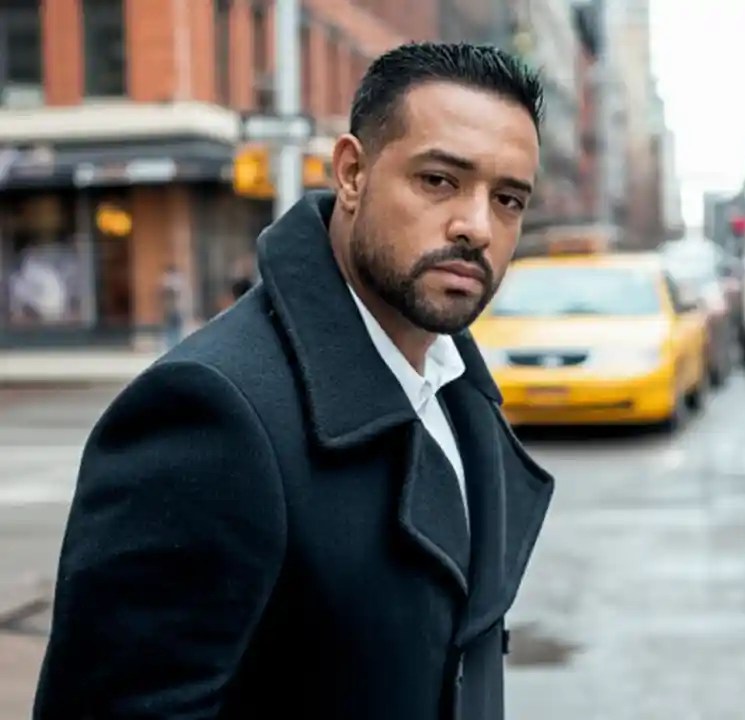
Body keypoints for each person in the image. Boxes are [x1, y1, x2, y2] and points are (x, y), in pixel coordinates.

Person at [35, 42, 553, 719]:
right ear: (351, 173)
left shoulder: (455, 388)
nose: (476, 226)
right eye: (438, 180)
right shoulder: (211, 413)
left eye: (507, 199)